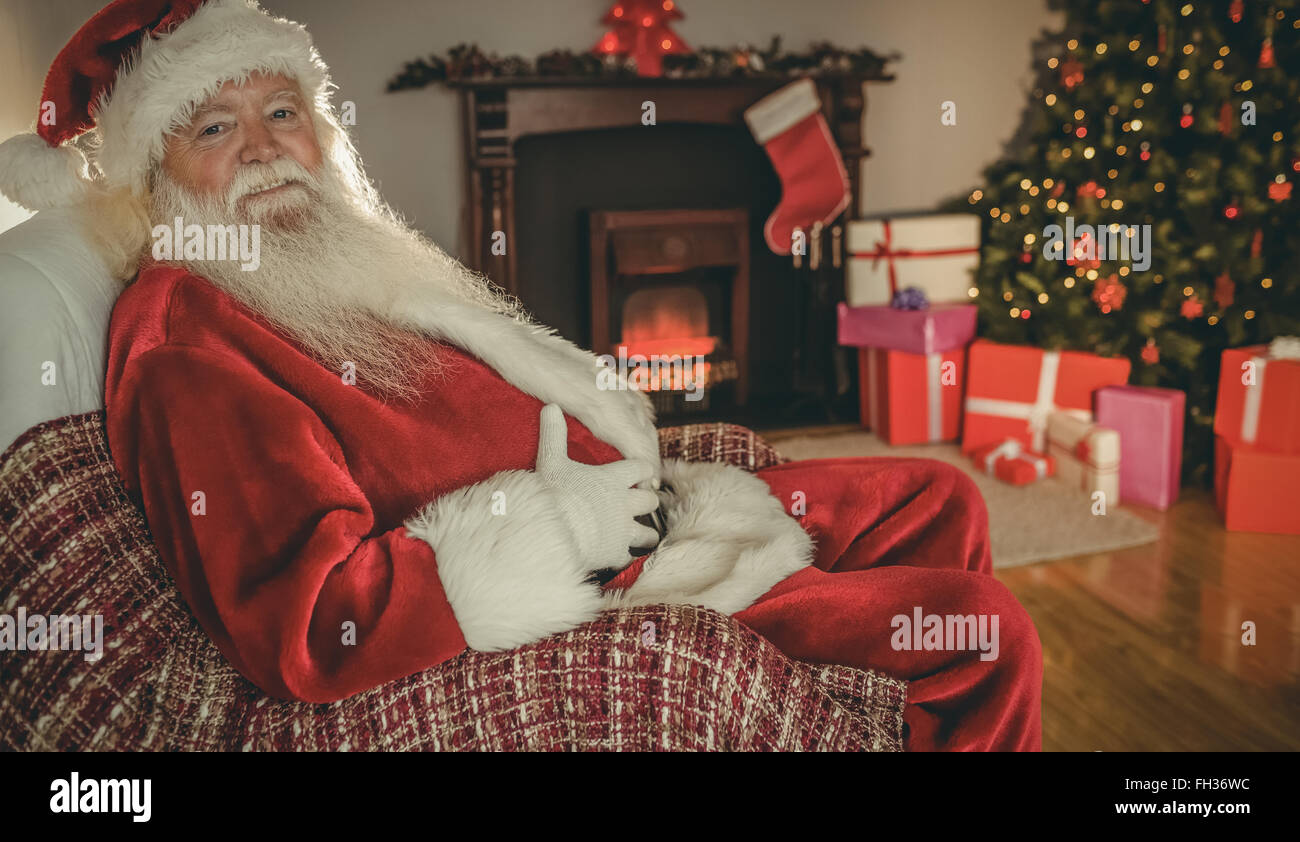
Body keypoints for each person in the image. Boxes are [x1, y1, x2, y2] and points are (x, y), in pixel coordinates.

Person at [0, 0, 1041, 750]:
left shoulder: (323, 266)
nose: (267, 148)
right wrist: (559, 526)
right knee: (987, 640)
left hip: (651, 510)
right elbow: (311, 618)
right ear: (155, 173)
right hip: (607, 588)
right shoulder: (191, 340)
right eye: (216, 128)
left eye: (283, 112)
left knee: (939, 492)